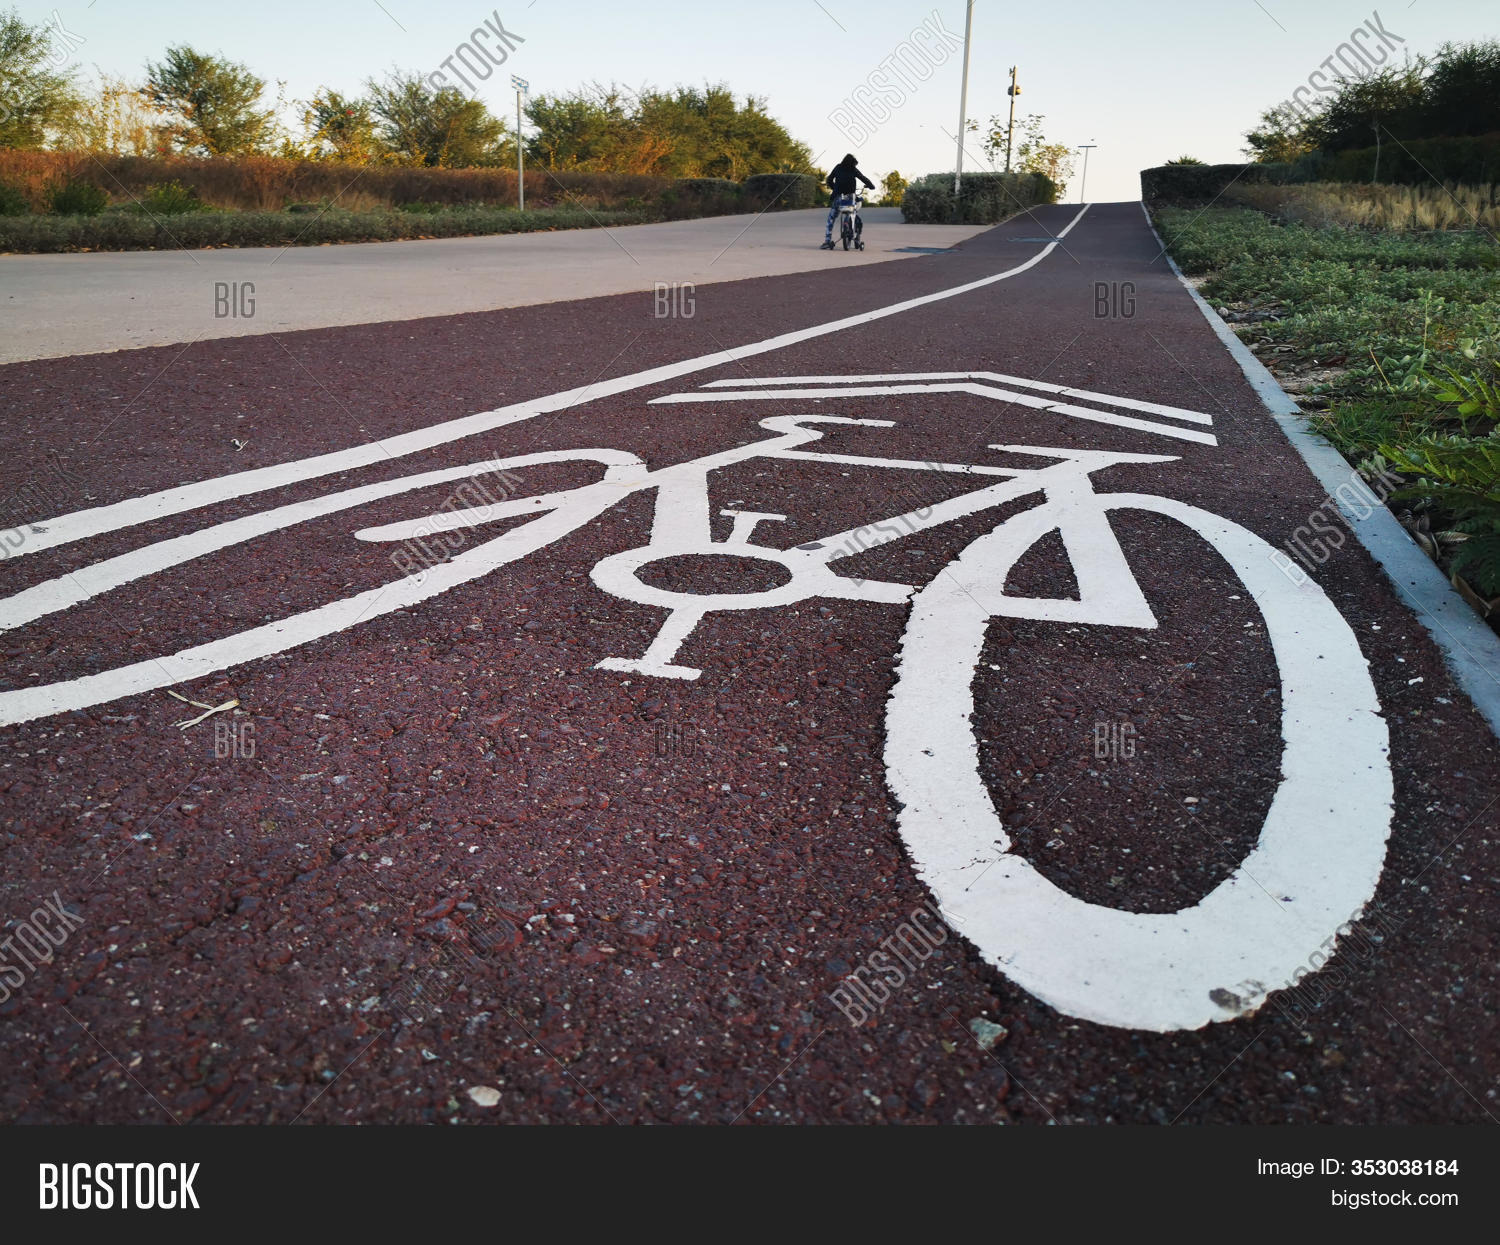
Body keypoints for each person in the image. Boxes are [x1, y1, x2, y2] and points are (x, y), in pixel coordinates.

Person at [822, 154, 875, 249]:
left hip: (838, 198)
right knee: (853, 212)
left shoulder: (838, 167)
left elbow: (829, 179)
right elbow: (863, 178)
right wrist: (871, 186)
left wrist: (835, 188)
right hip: (850, 197)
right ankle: (856, 236)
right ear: (853, 163)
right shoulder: (853, 169)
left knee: (831, 219)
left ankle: (827, 241)